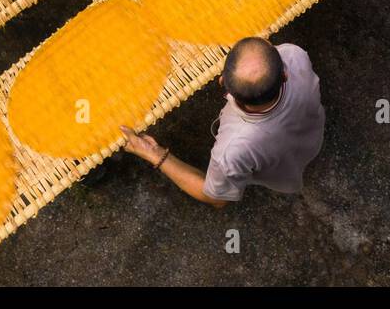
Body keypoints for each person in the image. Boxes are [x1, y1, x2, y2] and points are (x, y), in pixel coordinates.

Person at [121, 37, 325, 206]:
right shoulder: (294, 54)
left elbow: (215, 198)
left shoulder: (232, 152)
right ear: (284, 75)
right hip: (313, 135)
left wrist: (154, 154)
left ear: (222, 83)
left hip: (282, 174)